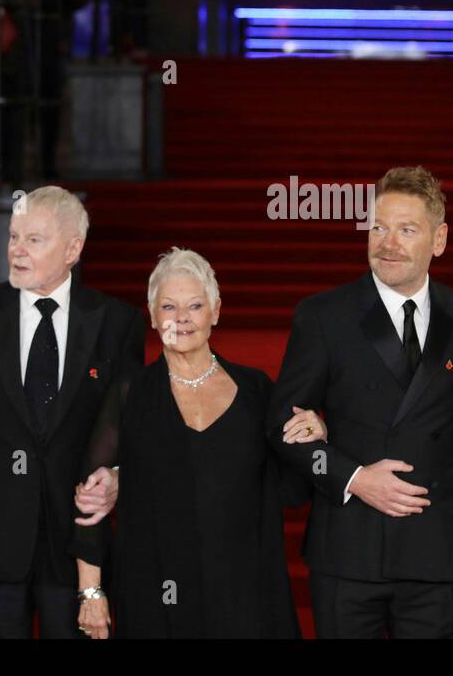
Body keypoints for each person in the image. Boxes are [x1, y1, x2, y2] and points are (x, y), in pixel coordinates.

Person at [264, 166, 453, 638]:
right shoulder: (325, 315)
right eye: (378, 227)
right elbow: (281, 427)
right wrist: (354, 477)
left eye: (407, 230)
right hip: (348, 545)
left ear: (439, 238)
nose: (388, 243)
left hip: (433, 549)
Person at [0, 185, 145, 638]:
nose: (17, 251)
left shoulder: (117, 324)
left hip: (76, 546)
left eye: (34, 240)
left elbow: (129, 427)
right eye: (13, 237)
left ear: (73, 248)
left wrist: (116, 477)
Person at [72, 248, 314, 638]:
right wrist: (91, 591)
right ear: (152, 316)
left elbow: (292, 488)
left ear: (215, 311)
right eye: (168, 307)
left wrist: (314, 433)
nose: (181, 319)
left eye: (195, 305)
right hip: (154, 590)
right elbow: (89, 499)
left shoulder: (257, 391)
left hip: (245, 590)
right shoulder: (129, 394)